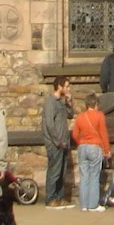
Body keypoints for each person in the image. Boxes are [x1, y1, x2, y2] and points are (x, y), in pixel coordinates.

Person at [71, 94, 110, 212]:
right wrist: (107, 150)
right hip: (95, 146)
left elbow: (74, 134)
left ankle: (84, 204)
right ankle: (93, 205)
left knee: (84, 176)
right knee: (94, 176)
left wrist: (81, 142)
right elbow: (103, 133)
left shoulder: (80, 117)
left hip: (82, 147)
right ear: (96, 104)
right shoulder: (100, 115)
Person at [41, 78, 74, 208]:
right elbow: (49, 124)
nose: (68, 89)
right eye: (66, 86)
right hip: (55, 144)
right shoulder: (50, 102)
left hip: (64, 142)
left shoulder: (61, 102)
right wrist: (57, 141)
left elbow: (70, 115)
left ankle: (60, 197)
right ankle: (50, 198)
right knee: (54, 172)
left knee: (61, 172)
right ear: (59, 87)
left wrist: (69, 102)